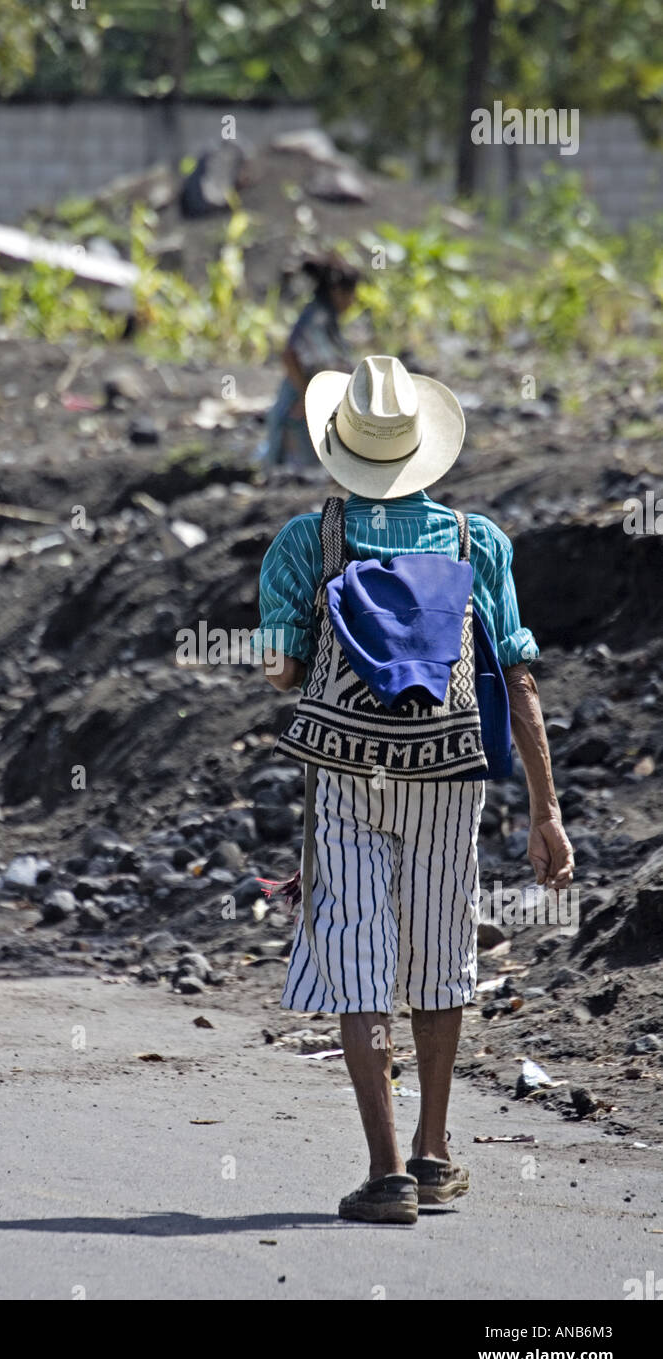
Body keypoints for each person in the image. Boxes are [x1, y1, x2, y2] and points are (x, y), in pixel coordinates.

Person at [257, 354, 574, 1225]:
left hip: (348, 773)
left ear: (341, 447)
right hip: (448, 774)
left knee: (357, 953)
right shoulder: (479, 543)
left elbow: (283, 673)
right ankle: (436, 1156)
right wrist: (547, 813)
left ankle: (386, 1173)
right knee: (440, 953)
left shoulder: (306, 540)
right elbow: (519, 681)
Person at [261, 252, 360, 470]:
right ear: (337, 291)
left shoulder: (325, 317)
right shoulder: (318, 317)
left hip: (309, 405)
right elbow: (289, 355)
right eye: (351, 294)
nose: (353, 301)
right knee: (300, 475)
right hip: (298, 407)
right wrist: (306, 396)